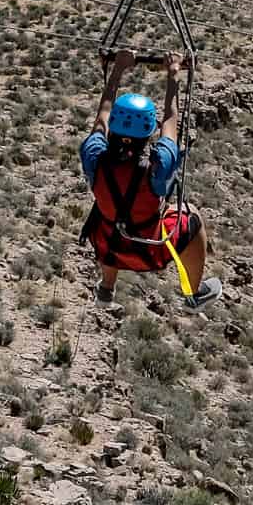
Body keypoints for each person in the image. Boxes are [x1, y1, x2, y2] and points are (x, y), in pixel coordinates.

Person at [80, 48, 218, 309]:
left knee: (107, 210)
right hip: (150, 249)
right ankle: (194, 293)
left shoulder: (95, 156)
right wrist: (173, 74)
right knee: (191, 216)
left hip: (109, 243)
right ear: (148, 130)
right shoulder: (158, 164)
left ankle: (106, 288)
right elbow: (170, 120)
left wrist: (117, 70)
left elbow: (102, 116)